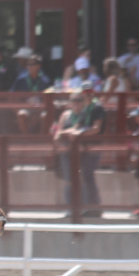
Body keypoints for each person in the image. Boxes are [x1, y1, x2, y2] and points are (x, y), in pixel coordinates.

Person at [52, 84, 105, 216]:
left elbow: (82, 130)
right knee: (68, 180)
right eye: (73, 100)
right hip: (67, 151)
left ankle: (85, 206)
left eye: (79, 100)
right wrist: (61, 137)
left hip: (83, 151)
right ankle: (70, 207)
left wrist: (69, 133)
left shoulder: (86, 113)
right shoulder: (66, 114)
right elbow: (60, 132)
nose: (76, 103)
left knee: (83, 178)